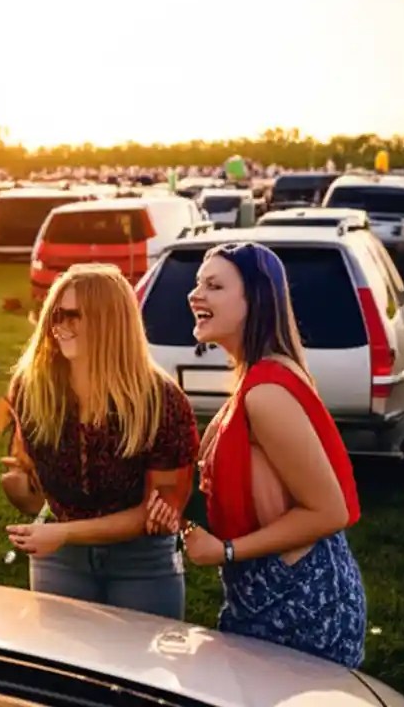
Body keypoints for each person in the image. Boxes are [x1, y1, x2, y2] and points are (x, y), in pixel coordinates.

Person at [149, 241, 366, 667]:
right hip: (262, 593)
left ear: (256, 299)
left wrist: (226, 551)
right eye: (198, 284)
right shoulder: (253, 379)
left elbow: (329, 512)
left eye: (214, 286)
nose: (195, 295)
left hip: (300, 602)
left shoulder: (266, 393)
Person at [0, 263, 198, 620]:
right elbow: (30, 476)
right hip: (60, 555)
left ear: (111, 322)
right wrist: (23, 486)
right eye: (55, 315)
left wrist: (65, 533)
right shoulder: (33, 389)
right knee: (64, 653)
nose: (59, 326)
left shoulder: (161, 400)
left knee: (141, 653)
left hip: (141, 558)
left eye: (73, 316)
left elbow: (157, 514)